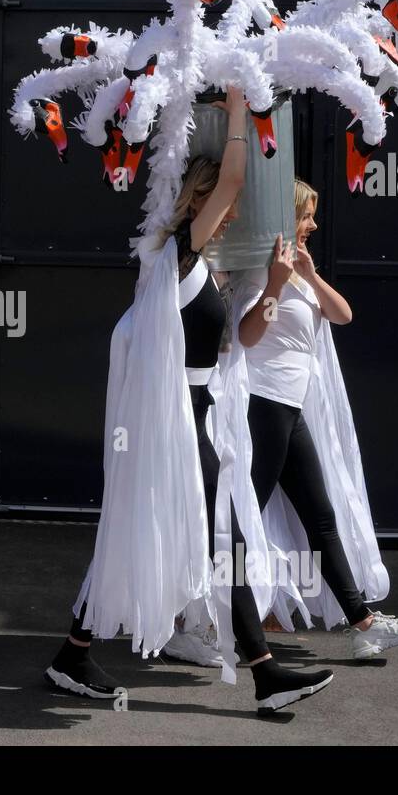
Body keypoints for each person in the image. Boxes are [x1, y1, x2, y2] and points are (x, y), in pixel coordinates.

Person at [46, 90, 333, 713]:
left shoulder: (202, 269)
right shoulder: (174, 256)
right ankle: (263, 674)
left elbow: (237, 346)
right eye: (219, 209)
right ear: (195, 204)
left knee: (177, 541)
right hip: (174, 428)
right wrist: (238, 110)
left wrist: (275, 289)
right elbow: (234, 178)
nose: (230, 216)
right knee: (195, 543)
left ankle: (76, 653)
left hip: (193, 423)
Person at [231, 177, 398, 657]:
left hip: (289, 409)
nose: (313, 223)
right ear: (285, 218)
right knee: (242, 519)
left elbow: (343, 315)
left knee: (320, 517)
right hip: (263, 405)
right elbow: (248, 335)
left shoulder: (296, 270)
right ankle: (194, 615)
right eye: (306, 215)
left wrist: (309, 275)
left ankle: (363, 623)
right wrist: (276, 284)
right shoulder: (260, 272)